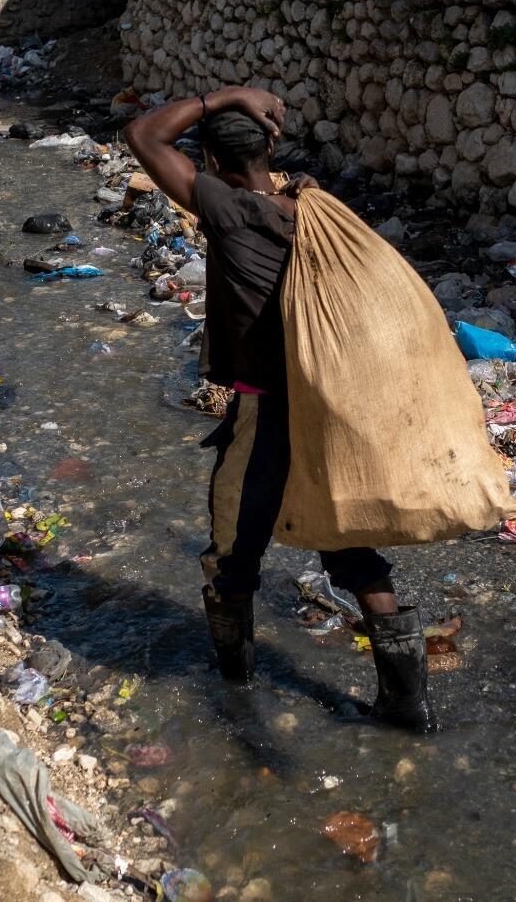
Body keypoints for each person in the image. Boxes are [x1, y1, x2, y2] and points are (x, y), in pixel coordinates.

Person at [125, 85, 437, 733]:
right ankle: (409, 707)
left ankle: (237, 697)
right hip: (327, 413)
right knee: (352, 550)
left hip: (264, 416)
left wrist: (226, 96)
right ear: (271, 149)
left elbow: (144, 135)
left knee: (232, 558)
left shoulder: (224, 206)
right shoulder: (313, 210)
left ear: (212, 161)